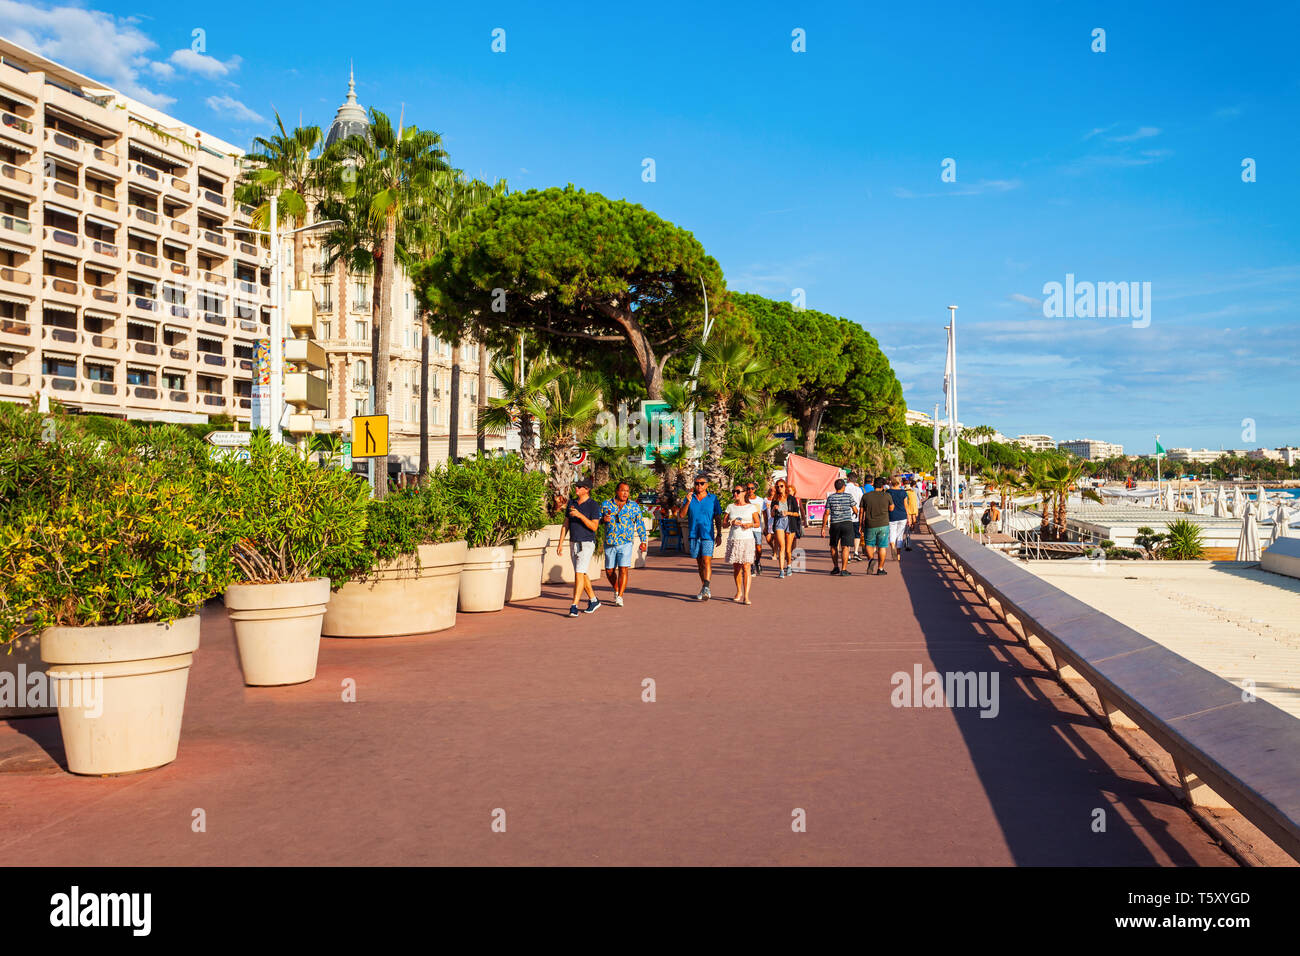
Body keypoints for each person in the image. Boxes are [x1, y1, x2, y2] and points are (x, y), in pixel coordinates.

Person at [555, 478, 602, 617]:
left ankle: (574, 605)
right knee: (581, 572)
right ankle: (593, 600)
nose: (576, 488)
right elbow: (566, 524)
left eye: (580, 486)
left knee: (578, 573)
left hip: (587, 543)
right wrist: (560, 543)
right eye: (576, 486)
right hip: (573, 542)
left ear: (587, 489)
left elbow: (594, 526)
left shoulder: (593, 505)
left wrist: (580, 515)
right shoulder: (572, 503)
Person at [599, 480, 648, 607]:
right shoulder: (606, 504)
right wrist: (603, 520)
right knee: (609, 571)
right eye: (622, 490)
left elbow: (640, 523)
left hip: (626, 542)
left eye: (627, 491)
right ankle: (616, 589)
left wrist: (643, 541)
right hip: (610, 542)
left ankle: (620, 596)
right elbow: (597, 520)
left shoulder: (634, 506)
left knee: (623, 569)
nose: (625, 493)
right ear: (616, 491)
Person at [678, 473, 723, 601]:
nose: (699, 486)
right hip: (693, 534)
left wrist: (719, 534)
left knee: (706, 560)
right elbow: (681, 515)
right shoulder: (689, 498)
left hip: (707, 534)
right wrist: (687, 502)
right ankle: (704, 588)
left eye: (701, 483)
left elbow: (718, 517)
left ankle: (707, 587)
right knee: (699, 563)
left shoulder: (712, 498)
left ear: (707, 485)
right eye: (696, 483)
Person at [724, 485, 761, 604]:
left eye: (738, 491)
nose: (735, 494)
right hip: (734, 539)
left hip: (747, 539)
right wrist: (731, 522)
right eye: (734, 491)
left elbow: (757, 523)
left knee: (746, 567)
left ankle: (746, 596)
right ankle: (738, 591)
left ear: (744, 493)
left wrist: (749, 525)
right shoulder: (730, 507)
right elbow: (724, 524)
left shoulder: (751, 507)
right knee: (736, 568)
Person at [822, 478, 859, 576]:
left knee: (834, 546)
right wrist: (855, 513)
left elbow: (826, 513)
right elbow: (855, 509)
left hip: (835, 524)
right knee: (845, 547)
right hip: (847, 523)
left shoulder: (831, 498)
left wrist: (823, 527)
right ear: (843, 487)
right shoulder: (848, 496)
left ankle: (835, 567)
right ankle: (844, 569)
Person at [861, 477, 893, 574]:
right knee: (882, 547)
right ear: (883, 486)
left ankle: (871, 559)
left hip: (870, 524)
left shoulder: (866, 496)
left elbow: (861, 512)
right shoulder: (887, 496)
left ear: (873, 484)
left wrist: (860, 524)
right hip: (883, 524)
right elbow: (891, 508)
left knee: (869, 544)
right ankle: (880, 569)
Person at [769, 478, 799, 578]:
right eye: (777, 486)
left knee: (788, 549)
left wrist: (788, 513)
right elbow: (772, 515)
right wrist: (774, 508)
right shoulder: (775, 499)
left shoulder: (791, 498)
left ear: (785, 487)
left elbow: (796, 513)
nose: (779, 488)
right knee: (782, 547)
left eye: (781, 486)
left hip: (790, 522)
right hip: (779, 522)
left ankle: (789, 565)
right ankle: (781, 570)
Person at [745, 481, 768, 575]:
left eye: (752, 488)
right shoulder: (744, 499)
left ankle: (757, 561)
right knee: (749, 548)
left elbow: (764, 513)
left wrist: (766, 526)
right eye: (748, 488)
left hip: (757, 528)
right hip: (747, 528)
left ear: (755, 489)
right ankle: (751, 566)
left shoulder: (760, 500)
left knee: (758, 548)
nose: (750, 490)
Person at [886, 476, 910, 563]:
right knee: (900, 535)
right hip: (902, 515)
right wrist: (909, 517)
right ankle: (899, 555)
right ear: (900, 482)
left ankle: (892, 547)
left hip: (892, 515)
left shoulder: (888, 492)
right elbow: (906, 505)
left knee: (892, 532)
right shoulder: (903, 492)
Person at [845, 475, 865, 561]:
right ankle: (856, 552)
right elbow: (861, 502)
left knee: (847, 535)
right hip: (856, 515)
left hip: (845, 516)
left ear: (848, 479)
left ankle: (848, 554)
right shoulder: (858, 489)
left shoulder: (844, 488)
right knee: (857, 534)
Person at [784, 482, 802, 569]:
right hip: (788, 520)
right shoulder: (785, 499)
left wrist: (804, 520)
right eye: (788, 490)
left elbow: (801, 510)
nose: (789, 492)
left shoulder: (797, 499)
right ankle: (788, 553)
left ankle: (792, 552)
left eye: (791, 491)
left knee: (794, 538)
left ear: (794, 491)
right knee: (787, 539)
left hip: (795, 519)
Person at [903, 479, 920, 551]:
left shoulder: (906, 492)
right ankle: (913, 526)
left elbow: (905, 501)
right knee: (913, 517)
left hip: (909, 506)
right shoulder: (913, 491)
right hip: (914, 506)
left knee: (909, 517)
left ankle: (910, 527)